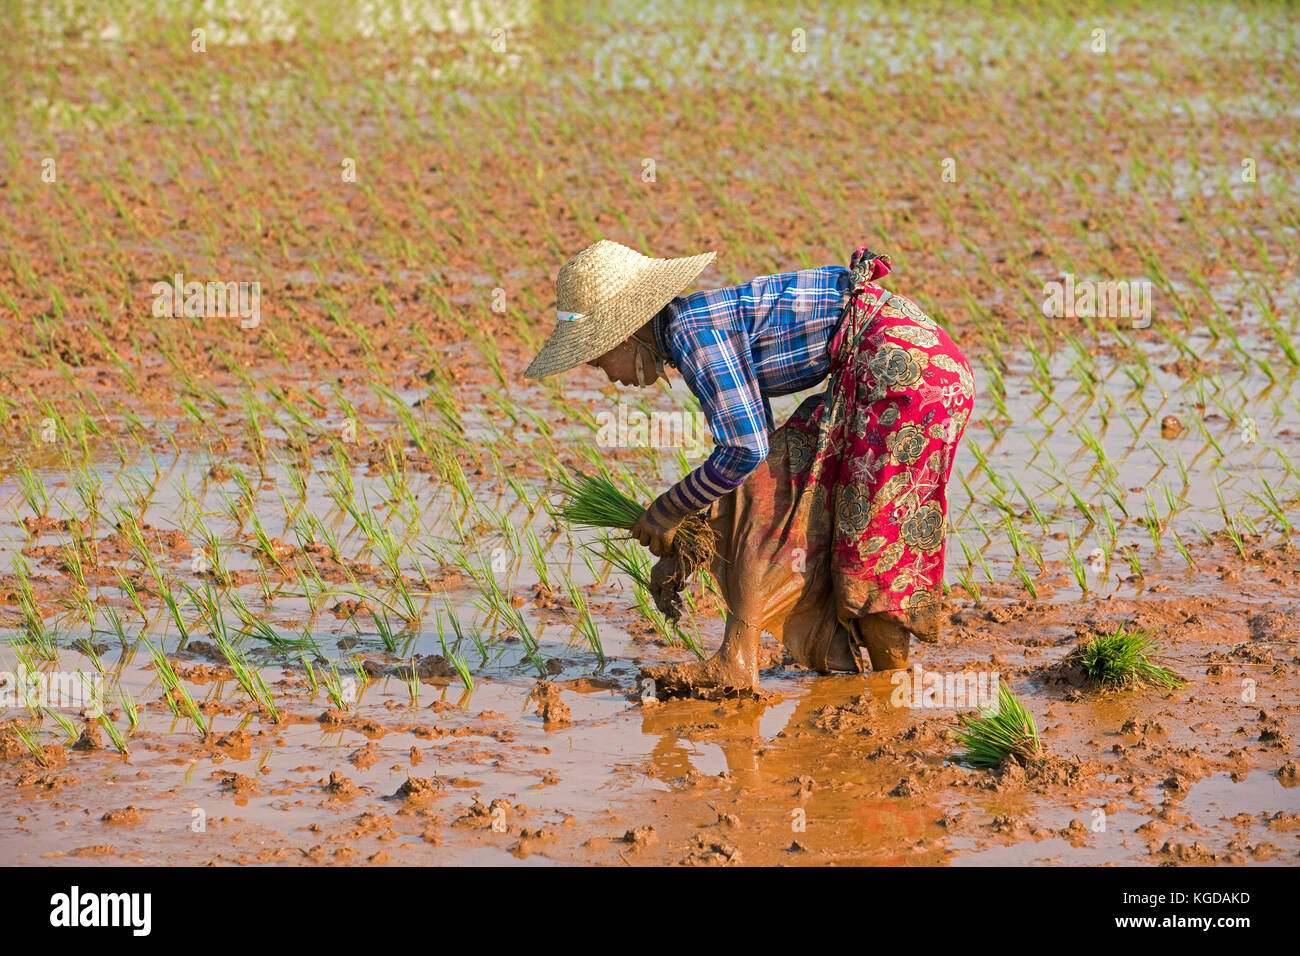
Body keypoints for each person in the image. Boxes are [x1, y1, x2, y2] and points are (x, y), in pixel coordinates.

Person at [524, 239, 974, 694]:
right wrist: (686, 540)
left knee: (873, 539)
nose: (612, 377)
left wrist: (668, 509)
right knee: (769, 494)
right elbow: (751, 464)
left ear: (624, 337)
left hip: (907, 375)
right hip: (896, 363)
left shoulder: (693, 336)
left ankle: (888, 688)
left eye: (601, 362)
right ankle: (749, 658)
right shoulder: (698, 325)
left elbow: (743, 449)